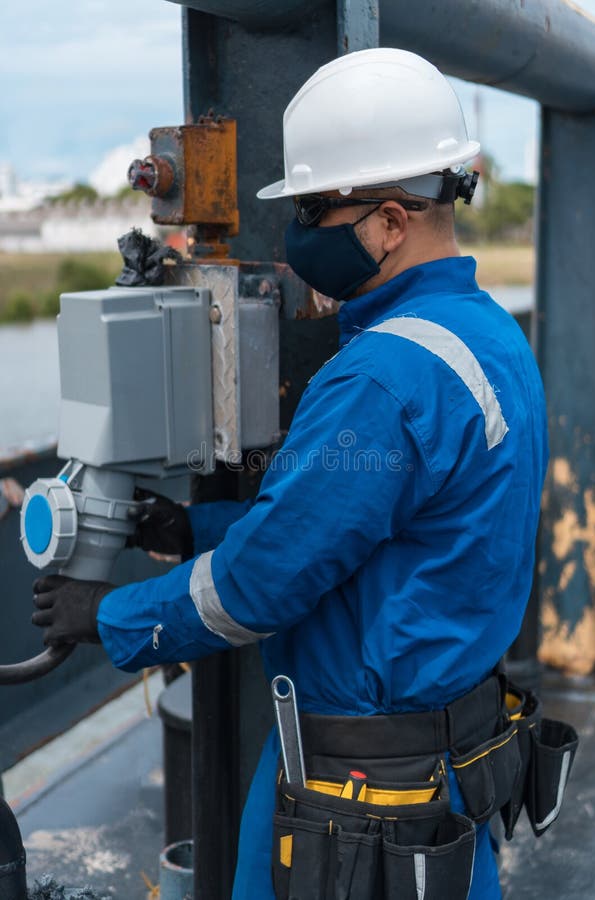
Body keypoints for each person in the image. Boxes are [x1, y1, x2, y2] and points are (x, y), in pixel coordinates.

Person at [31, 49, 548, 899]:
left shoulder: (379, 380)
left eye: (314, 208)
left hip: (356, 803)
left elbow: (261, 585)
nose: (299, 231)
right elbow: (369, 530)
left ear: (390, 220)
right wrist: (193, 528)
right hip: (448, 767)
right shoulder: (488, 337)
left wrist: (112, 617)